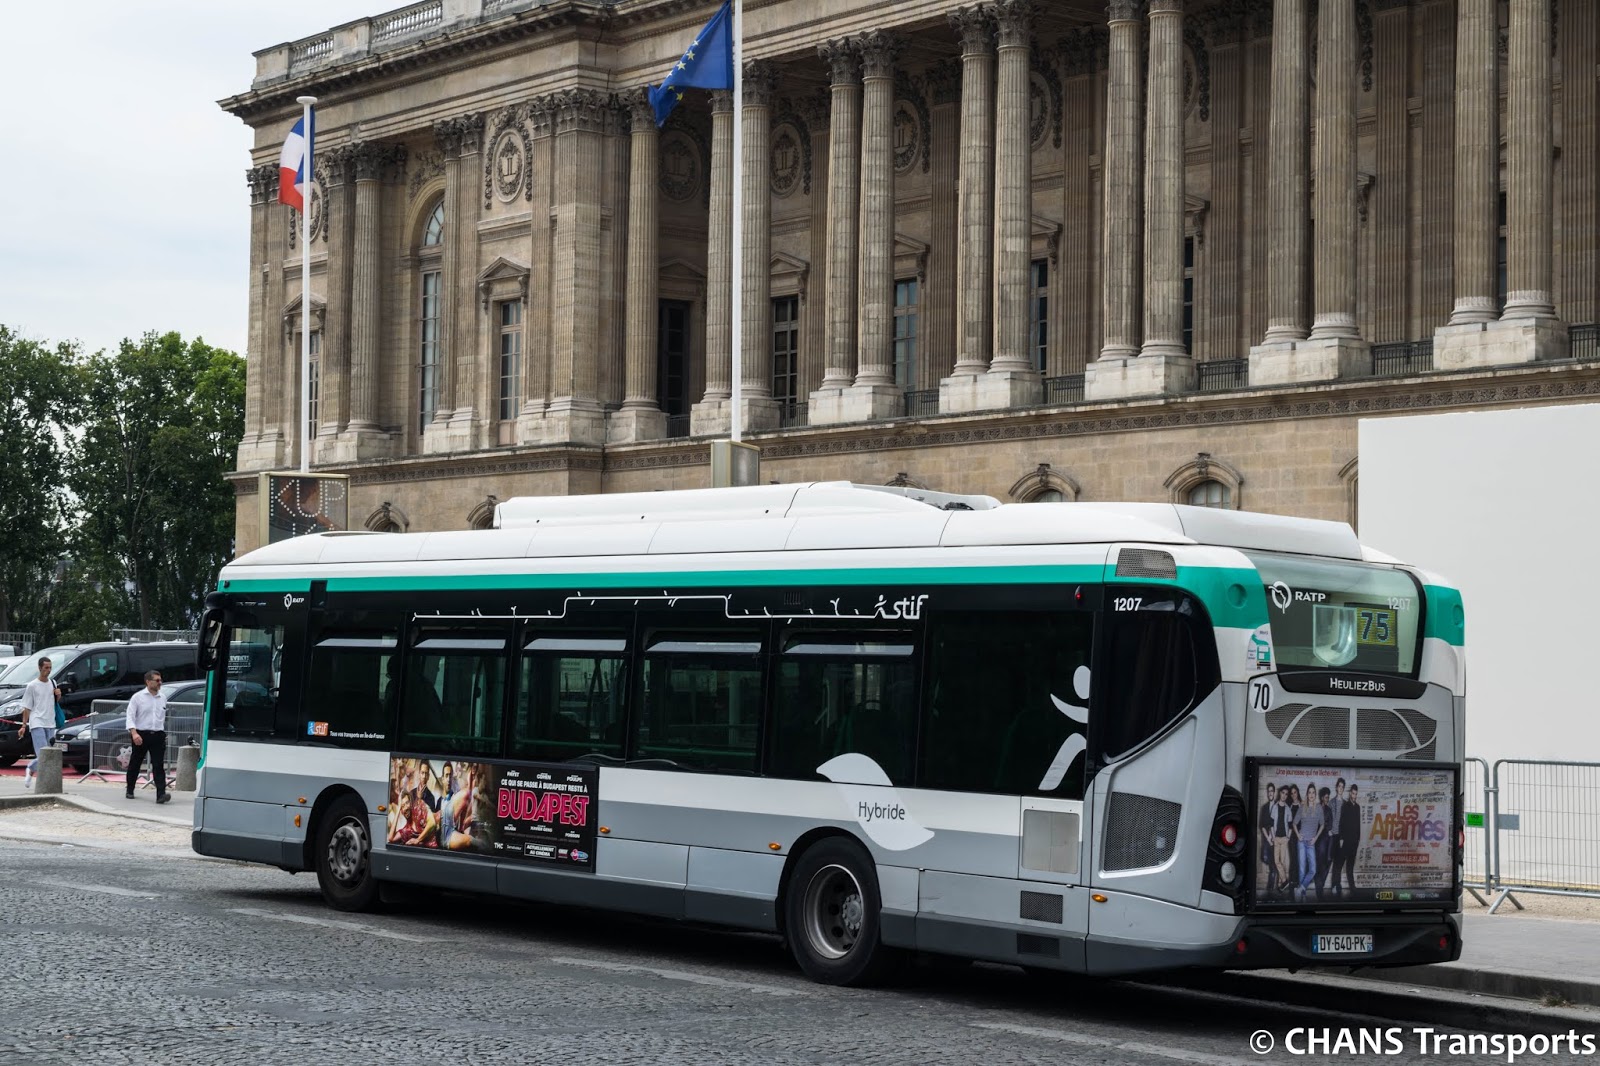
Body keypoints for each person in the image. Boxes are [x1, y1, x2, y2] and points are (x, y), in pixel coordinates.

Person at [124, 670, 171, 803]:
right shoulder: (138, 697)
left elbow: (162, 716)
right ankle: (130, 789)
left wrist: (162, 733)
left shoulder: (162, 697)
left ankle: (161, 794)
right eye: (157, 680)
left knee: (158, 765)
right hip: (141, 734)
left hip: (157, 734)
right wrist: (134, 733)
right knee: (135, 763)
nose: (159, 683)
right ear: (148, 681)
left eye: (160, 680)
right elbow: (130, 716)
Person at [16, 656, 61, 789]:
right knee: (43, 754)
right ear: (40, 668)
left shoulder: (53, 683)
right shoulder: (32, 685)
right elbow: (27, 706)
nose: (48, 670)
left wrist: (58, 695)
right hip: (37, 722)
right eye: (46, 668)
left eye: (50, 668)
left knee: (49, 754)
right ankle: (31, 769)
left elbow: (54, 703)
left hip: (50, 722)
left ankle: (32, 770)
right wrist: (24, 725)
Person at [1293, 781, 1327, 901]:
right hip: (1301, 842)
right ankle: (1302, 895)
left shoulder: (1318, 808)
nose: (1311, 794)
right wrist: (1298, 835)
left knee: (1313, 869)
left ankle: (1301, 888)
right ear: (1307, 794)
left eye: (1313, 792)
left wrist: (1316, 838)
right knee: (1302, 869)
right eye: (1309, 792)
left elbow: (1322, 824)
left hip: (1311, 843)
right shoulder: (1302, 807)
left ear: (1315, 794)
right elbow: (1294, 823)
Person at [1337, 784, 1363, 894]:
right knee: (1339, 865)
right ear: (1350, 793)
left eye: (1356, 794)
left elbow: (1358, 824)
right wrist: (1341, 838)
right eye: (1353, 793)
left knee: (1350, 866)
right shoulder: (1345, 806)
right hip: (1345, 840)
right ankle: (1337, 886)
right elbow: (1341, 823)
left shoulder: (1357, 807)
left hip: (1354, 842)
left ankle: (1352, 887)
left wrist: (1358, 839)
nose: (1354, 795)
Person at [1327, 778, 1348, 897]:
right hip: (1332, 836)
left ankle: (1336, 884)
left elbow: (1346, 822)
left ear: (1343, 789)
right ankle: (1335, 884)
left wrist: (1344, 837)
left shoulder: (1345, 804)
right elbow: (1327, 819)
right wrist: (1329, 831)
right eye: (1339, 786)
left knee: (1339, 862)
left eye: (1342, 787)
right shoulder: (1331, 802)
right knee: (1331, 860)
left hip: (1341, 837)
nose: (1340, 788)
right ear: (1336, 788)